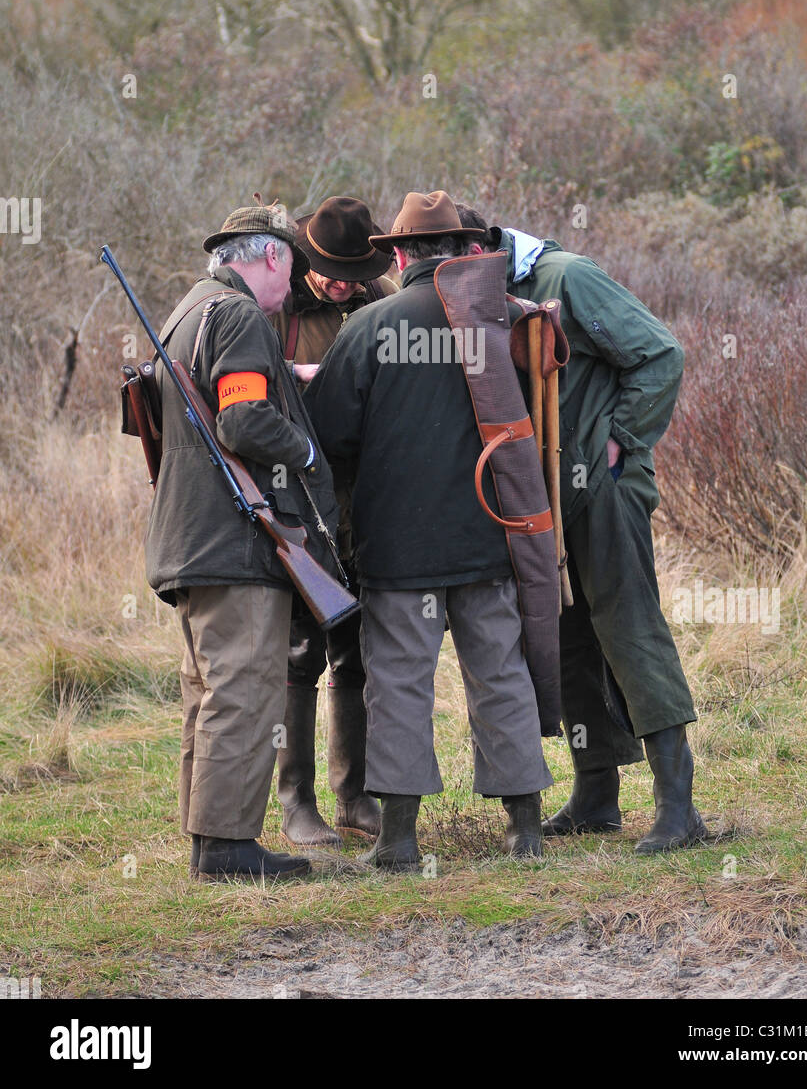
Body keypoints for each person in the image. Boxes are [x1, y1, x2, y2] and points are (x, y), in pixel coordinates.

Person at [303, 190, 553, 869]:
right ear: (461, 249)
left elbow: (329, 436)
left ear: (400, 253)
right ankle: (524, 829)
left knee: (399, 684)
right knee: (500, 675)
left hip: (398, 548)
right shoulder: (500, 323)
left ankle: (399, 841)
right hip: (490, 535)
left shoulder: (370, 326)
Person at [456, 205, 705, 855]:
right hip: (544, 499)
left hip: (606, 490)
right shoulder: (475, 298)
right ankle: (595, 796)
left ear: (481, 246)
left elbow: (659, 354)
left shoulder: (565, 278)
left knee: (627, 628)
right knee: (566, 636)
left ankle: (678, 811)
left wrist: (620, 440)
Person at [145, 198, 340, 882]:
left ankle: (210, 842)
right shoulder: (237, 315)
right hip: (234, 539)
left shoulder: (187, 311)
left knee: (207, 690)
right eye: (290, 269)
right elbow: (243, 421)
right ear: (268, 256)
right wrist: (309, 456)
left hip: (186, 538)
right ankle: (227, 849)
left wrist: (289, 379)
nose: (291, 289)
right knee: (245, 687)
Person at [269, 196, 397, 847]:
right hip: (295, 498)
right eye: (329, 270)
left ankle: (356, 796)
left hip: (366, 497)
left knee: (358, 649)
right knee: (299, 649)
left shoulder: (381, 301)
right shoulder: (274, 304)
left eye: (352, 271)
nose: (340, 282)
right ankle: (296, 800)